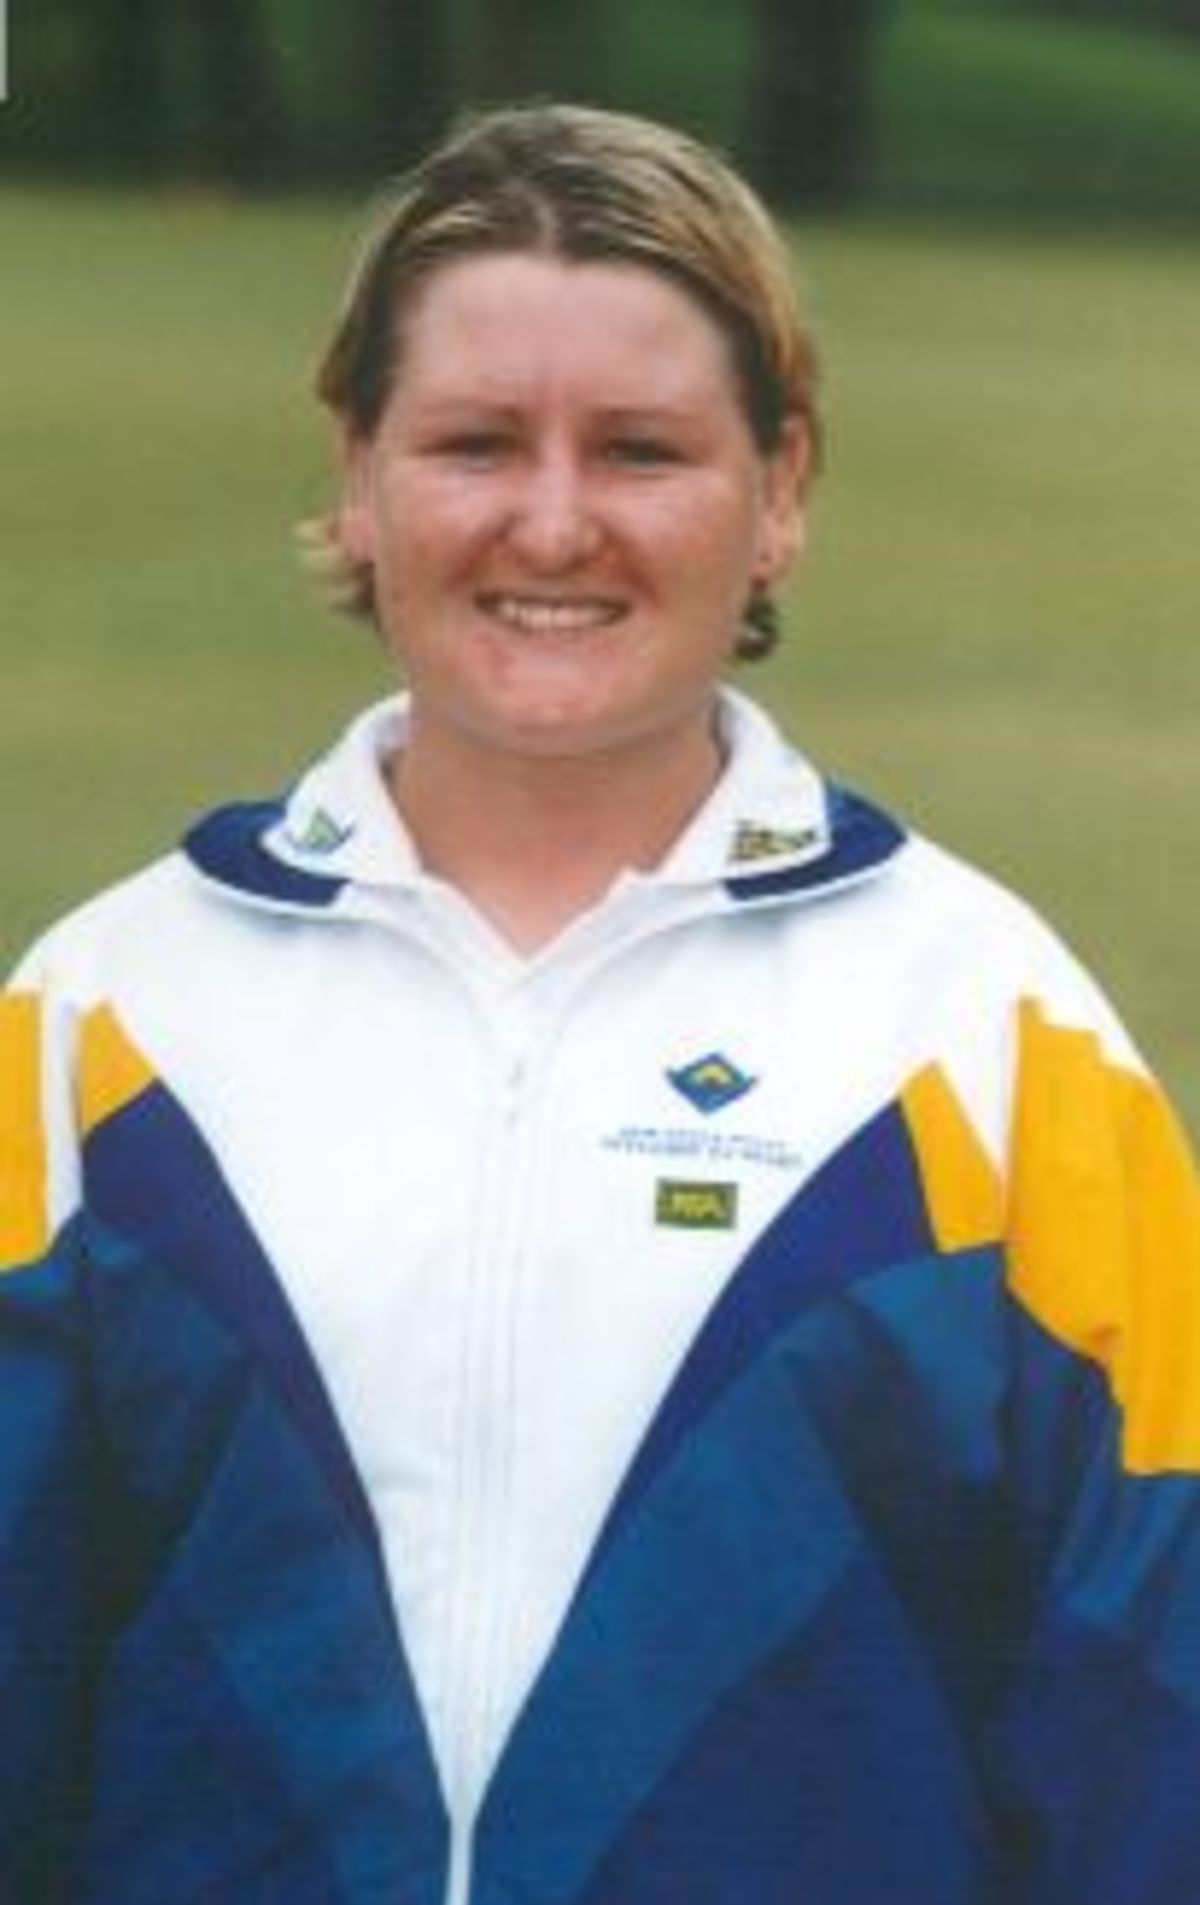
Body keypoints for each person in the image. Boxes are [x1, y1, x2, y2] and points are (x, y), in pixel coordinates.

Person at [2, 101, 1199, 1905]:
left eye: (641, 449)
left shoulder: (998, 1038)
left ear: (780, 490)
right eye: (478, 441)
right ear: (358, 469)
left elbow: (1153, 1732)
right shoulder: (103, 1025)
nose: (552, 523)